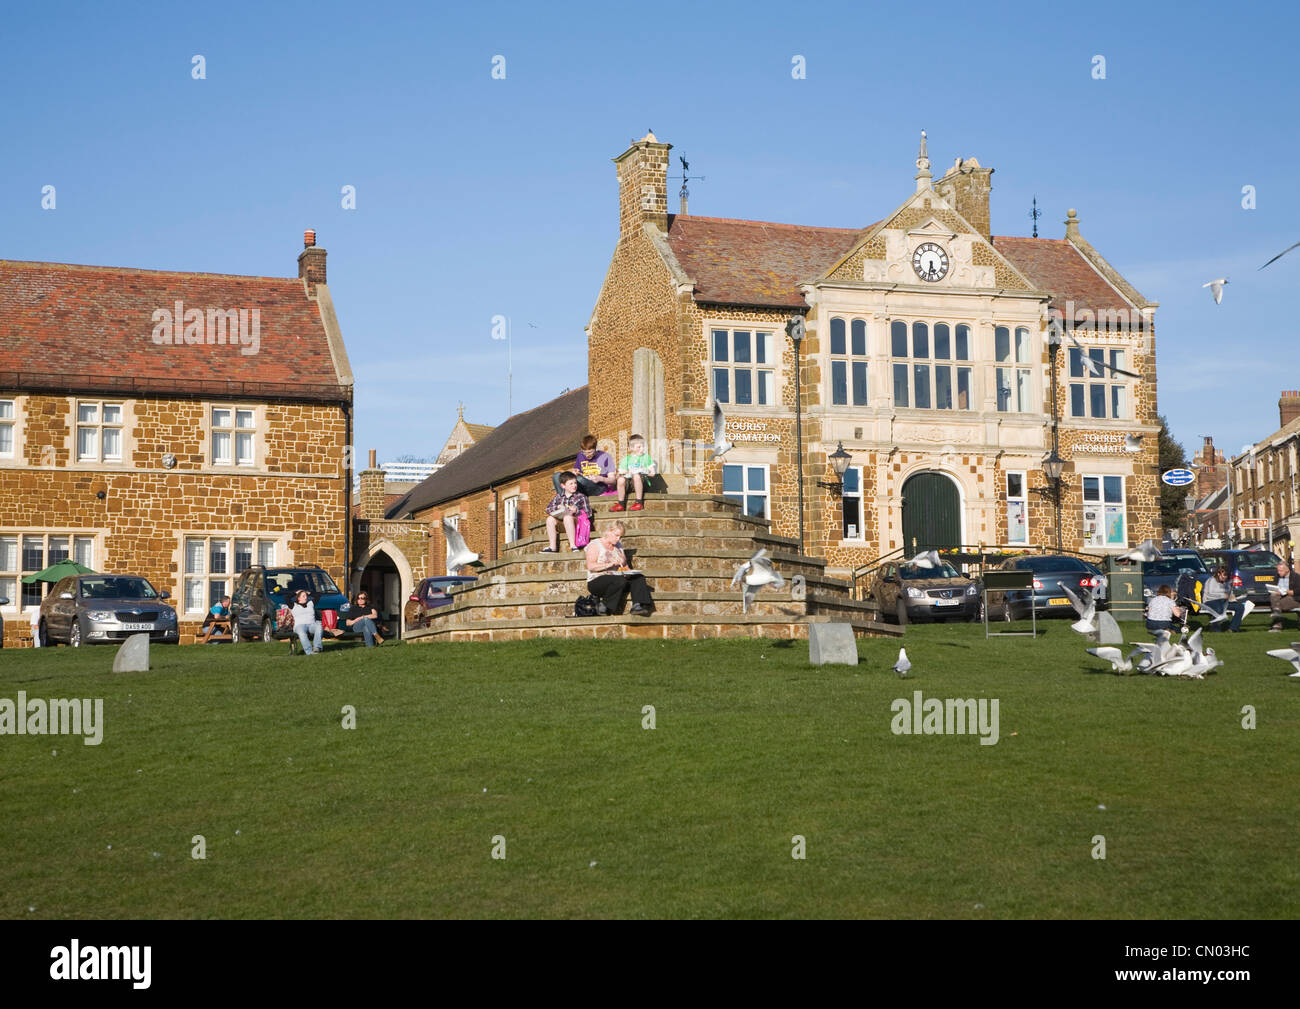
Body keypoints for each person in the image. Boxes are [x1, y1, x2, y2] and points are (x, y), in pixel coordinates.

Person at [584, 520, 653, 616]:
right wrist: (609, 564)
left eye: (620, 536)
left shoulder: (618, 546)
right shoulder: (595, 545)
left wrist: (629, 572)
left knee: (638, 577)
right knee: (619, 580)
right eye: (616, 535)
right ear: (608, 531)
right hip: (597, 580)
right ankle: (604, 605)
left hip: (618, 579)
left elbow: (625, 566)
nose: (618, 539)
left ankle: (637, 605)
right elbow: (591, 566)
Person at [543, 472, 593, 553]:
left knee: (568, 517)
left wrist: (577, 511)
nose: (574, 485)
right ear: (563, 486)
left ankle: (573, 545)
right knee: (550, 519)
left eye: (575, 483)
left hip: (577, 523)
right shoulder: (559, 497)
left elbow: (589, 513)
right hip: (563, 522)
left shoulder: (581, 497)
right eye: (571, 484)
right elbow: (548, 509)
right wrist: (557, 507)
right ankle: (552, 547)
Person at [611, 433, 658, 512]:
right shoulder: (626, 459)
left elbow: (652, 473)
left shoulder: (646, 457)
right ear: (631, 448)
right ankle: (621, 504)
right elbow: (618, 475)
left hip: (642, 482)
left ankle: (639, 502)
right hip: (629, 483)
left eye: (643, 446)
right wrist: (622, 473)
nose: (642, 449)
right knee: (620, 480)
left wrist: (644, 471)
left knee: (636, 475)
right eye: (639, 447)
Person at [1201, 565, 1247, 632]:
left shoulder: (1226, 583)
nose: (1225, 577)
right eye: (1224, 575)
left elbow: (1229, 593)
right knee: (1219, 608)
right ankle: (1215, 629)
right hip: (1210, 601)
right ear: (1218, 574)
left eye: (1226, 575)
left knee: (1240, 607)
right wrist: (1224, 596)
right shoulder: (1211, 581)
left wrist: (1233, 598)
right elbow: (1210, 594)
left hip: (1223, 602)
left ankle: (1233, 628)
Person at [290, 588, 324, 655]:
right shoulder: (294, 605)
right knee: (302, 633)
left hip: (311, 624)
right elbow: (286, 598)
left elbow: (319, 595)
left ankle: (316, 647)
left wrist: (309, 593)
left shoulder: (310, 603)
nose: (306, 598)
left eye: (306, 596)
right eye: (303, 596)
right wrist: (295, 592)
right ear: (299, 598)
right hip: (299, 625)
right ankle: (309, 652)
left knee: (319, 626)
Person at [1269, 560, 1299, 632]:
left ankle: (1277, 626)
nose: (1279, 572)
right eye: (1278, 570)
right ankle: (1276, 612)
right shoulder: (1277, 577)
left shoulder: (1296, 577)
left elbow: (1298, 590)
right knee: (1273, 596)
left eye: (1281, 570)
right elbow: (1273, 586)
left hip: (1294, 598)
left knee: (1277, 605)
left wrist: (1287, 592)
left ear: (1287, 569)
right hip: (1279, 598)